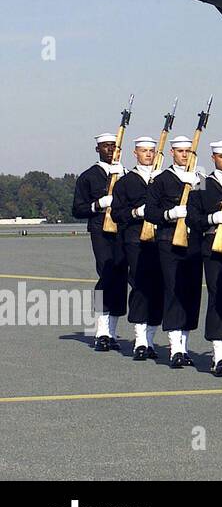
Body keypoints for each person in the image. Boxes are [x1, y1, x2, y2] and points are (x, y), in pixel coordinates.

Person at [145, 136, 203, 367]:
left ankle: (185, 346)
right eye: (180, 151)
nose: (184, 155)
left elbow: (204, 205)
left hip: (194, 242)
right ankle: (174, 347)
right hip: (169, 240)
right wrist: (170, 214)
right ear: (172, 153)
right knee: (173, 289)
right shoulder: (161, 179)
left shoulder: (199, 178)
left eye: (188, 151)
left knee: (191, 292)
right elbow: (150, 211)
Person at [187, 139, 222, 375]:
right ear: (214, 158)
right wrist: (212, 219)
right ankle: (217, 351)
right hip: (212, 245)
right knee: (217, 295)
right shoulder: (202, 184)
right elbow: (192, 217)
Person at [72, 133, 127, 352]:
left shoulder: (125, 175)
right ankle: (101, 331)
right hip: (100, 230)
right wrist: (97, 205)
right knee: (107, 272)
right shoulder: (88, 177)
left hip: (123, 230)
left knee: (121, 276)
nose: (110, 150)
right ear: (97, 149)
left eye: (114, 146)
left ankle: (112, 332)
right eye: (105, 146)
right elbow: (77, 209)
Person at [111, 136, 164, 361]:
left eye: (152, 151)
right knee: (141, 284)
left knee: (158, 287)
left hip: (161, 239)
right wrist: (135, 213)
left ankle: (151, 338)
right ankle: (140, 339)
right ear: (136, 153)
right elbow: (116, 214)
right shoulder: (126, 182)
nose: (148, 155)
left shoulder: (163, 179)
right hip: (134, 239)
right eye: (144, 151)